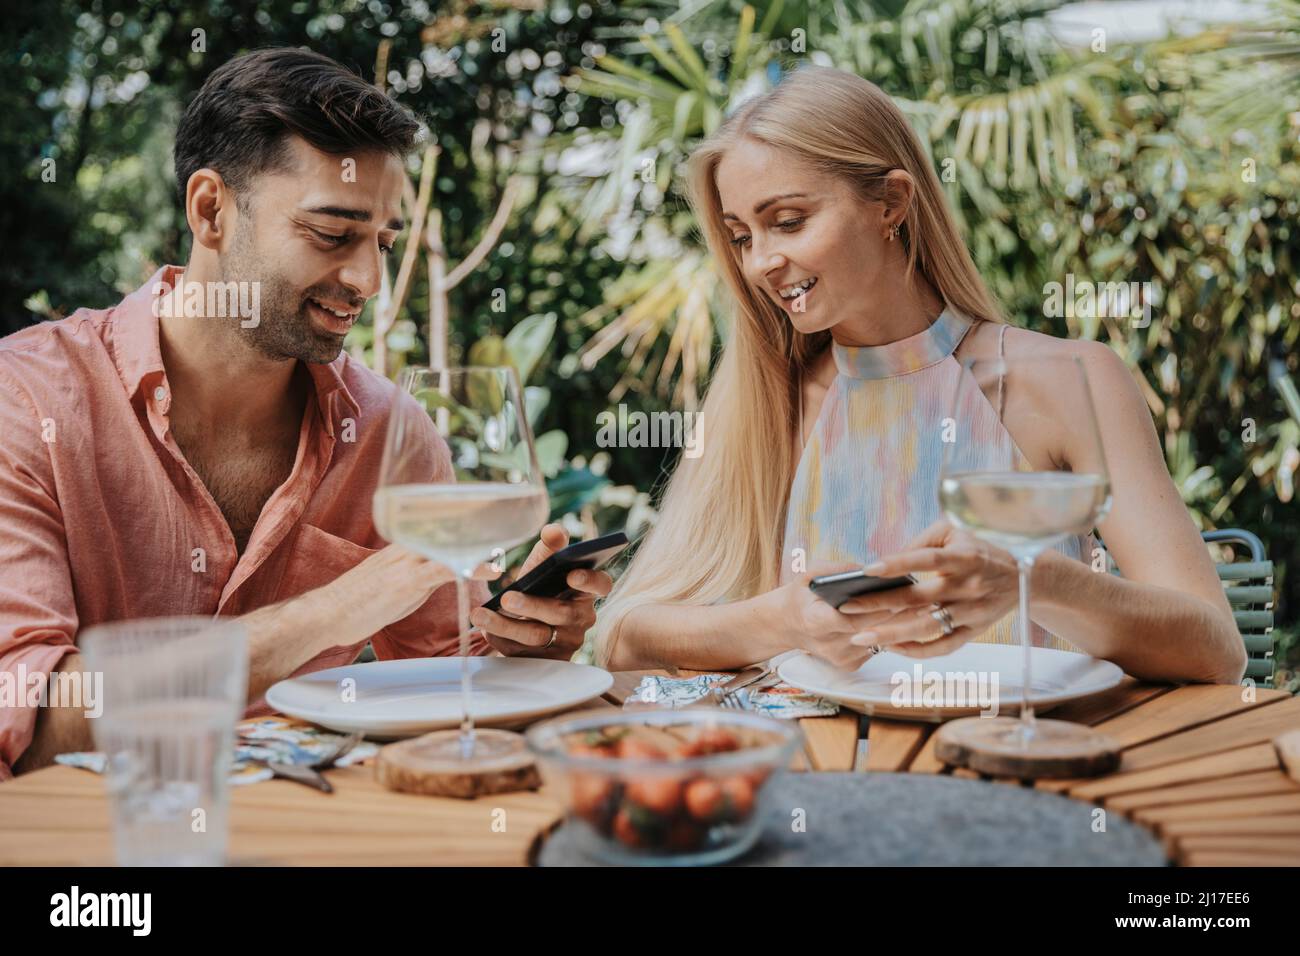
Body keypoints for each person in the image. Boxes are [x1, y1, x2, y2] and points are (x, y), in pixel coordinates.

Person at [0, 48, 609, 779]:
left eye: (383, 243)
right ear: (210, 210)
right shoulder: (28, 399)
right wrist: (338, 608)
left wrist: (526, 647)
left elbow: (452, 674)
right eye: (331, 234)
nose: (368, 280)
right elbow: (27, 727)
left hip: (311, 833)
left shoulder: (387, 430)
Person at [592, 66, 1244, 686]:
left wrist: (1029, 579)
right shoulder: (764, 400)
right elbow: (623, 639)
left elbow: (1215, 648)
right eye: (741, 236)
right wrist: (775, 620)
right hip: (824, 786)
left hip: (1026, 780)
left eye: (788, 221)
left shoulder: (1070, 380)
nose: (761, 261)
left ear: (892, 203)